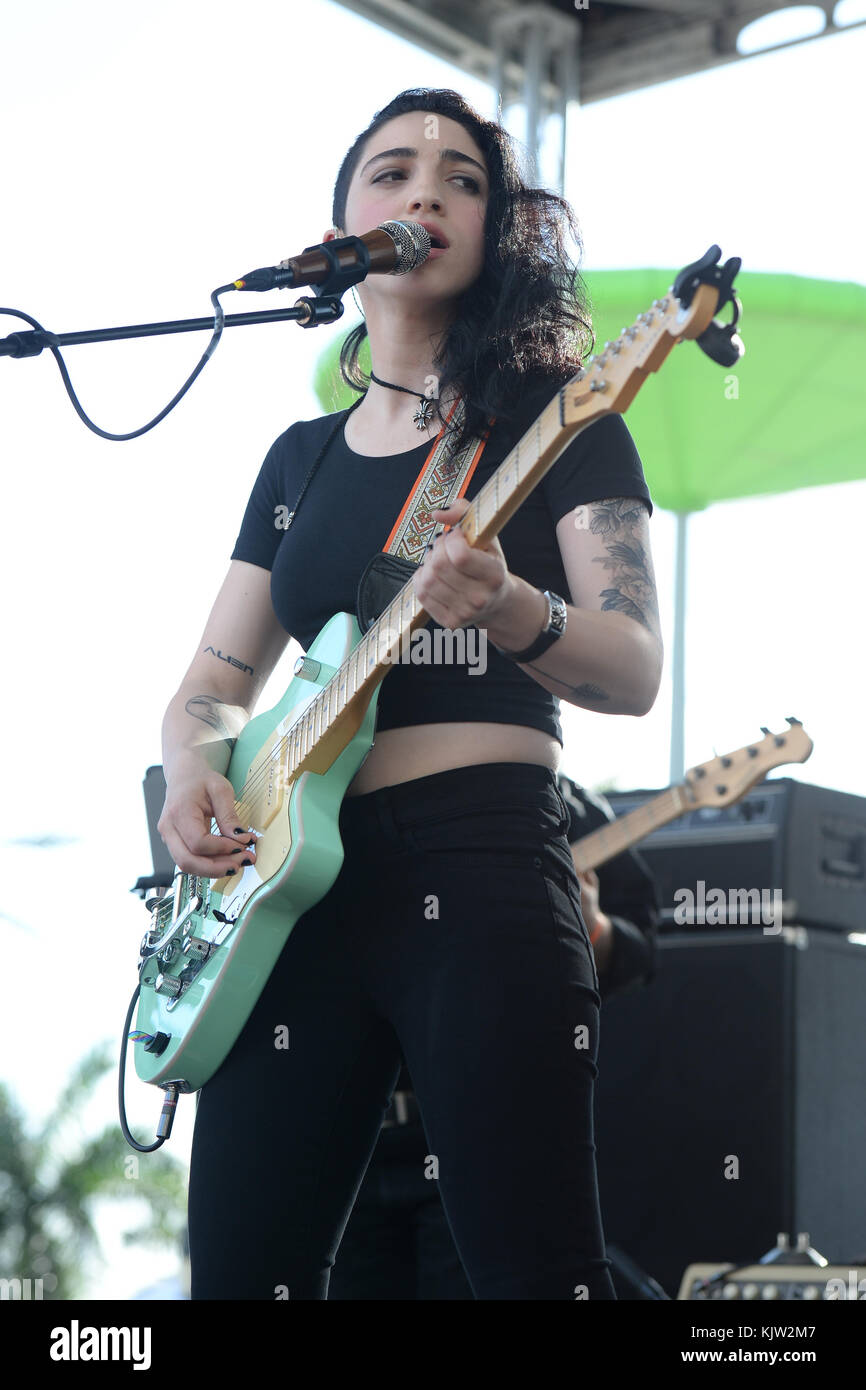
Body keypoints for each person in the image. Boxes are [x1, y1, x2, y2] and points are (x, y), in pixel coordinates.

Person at [156, 87, 663, 1301]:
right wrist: (190, 770)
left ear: (496, 232)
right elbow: (213, 690)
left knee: (532, 1272)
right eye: (389, 173)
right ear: (344, 224)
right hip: (288, 889)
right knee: (238, 1277)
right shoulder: (300, 460)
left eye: (462, 179)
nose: (423, 191)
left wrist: (506, 608)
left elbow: (633, 669)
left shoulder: (562, 420)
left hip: (481, 858)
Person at [328, 776, 662, 1300]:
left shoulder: (564, 800)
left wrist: (592, 927)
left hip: (474, 1132)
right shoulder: (325, 782)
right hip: (341, 1135)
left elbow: (641, 952)